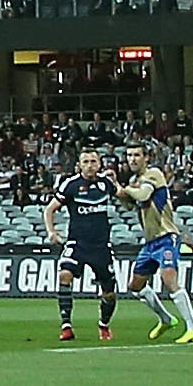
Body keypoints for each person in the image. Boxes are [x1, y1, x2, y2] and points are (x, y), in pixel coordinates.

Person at [121, 144, 193, 341]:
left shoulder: (153, 174)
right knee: (135, 286)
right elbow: (129, 204)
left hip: (167, 237)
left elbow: (143, 195)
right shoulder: (135, 181)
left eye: (136, 155)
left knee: (169, 279)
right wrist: (116, 187)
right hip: (150, 243)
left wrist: (124, 189)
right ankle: (166, 319)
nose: (132, 159)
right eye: (129, 155)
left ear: (146, 157)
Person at [53, 146, 121, 340]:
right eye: (86, 162)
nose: (90, 166)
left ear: (99, 164)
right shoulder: (70, 185)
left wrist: (117, 183)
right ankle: (66, 326)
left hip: (101, 246)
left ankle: (104, 324)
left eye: (93, 161)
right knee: (64, 275)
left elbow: (124, 197)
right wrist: (52, 231)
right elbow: (50, 209)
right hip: (77, 243)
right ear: (79, 165)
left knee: (109, 292)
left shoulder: (106, 184)